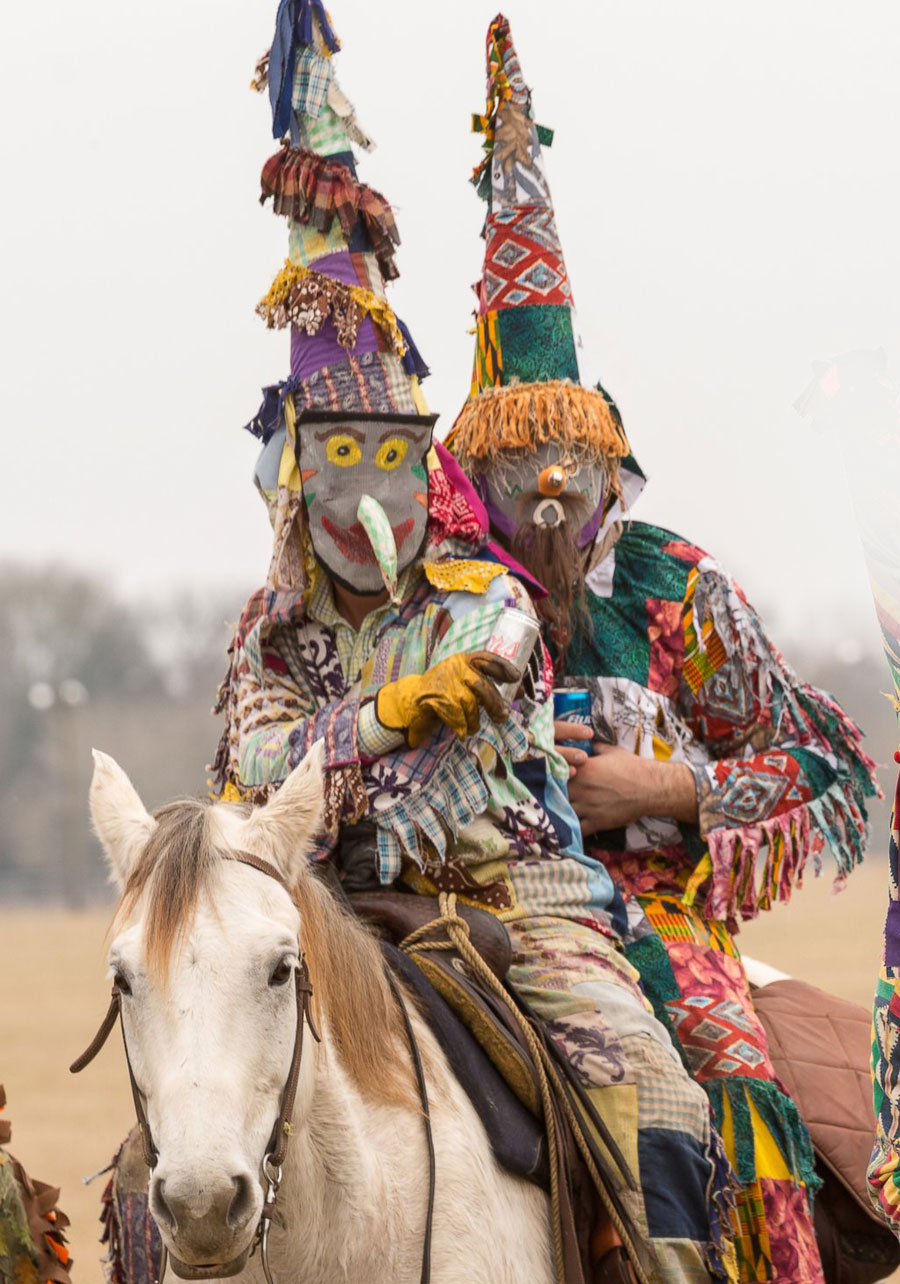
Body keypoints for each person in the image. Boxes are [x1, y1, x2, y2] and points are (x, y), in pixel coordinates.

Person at [213, 5, 737, 1281]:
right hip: (330, 924)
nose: (369, 494)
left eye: (395, 457)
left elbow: (466, 725)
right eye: (340, 460)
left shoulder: (481, 602)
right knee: (163, 1151)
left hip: (523, 910)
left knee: (663, 1113)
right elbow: (262, 786)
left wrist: (367, 747)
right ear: (294, 477)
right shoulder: (264, 641)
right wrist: (390, 718)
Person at [448, 16, 882, 1284]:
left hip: (657, 923)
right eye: (522, 463)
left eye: (573, 463)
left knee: (741, 1097)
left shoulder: (669, 582)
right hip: (452, 913)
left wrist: (673, 790)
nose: (552, 493)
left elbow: (826, 764)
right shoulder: (433, 590)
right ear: (473, 473)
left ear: (611, 467)